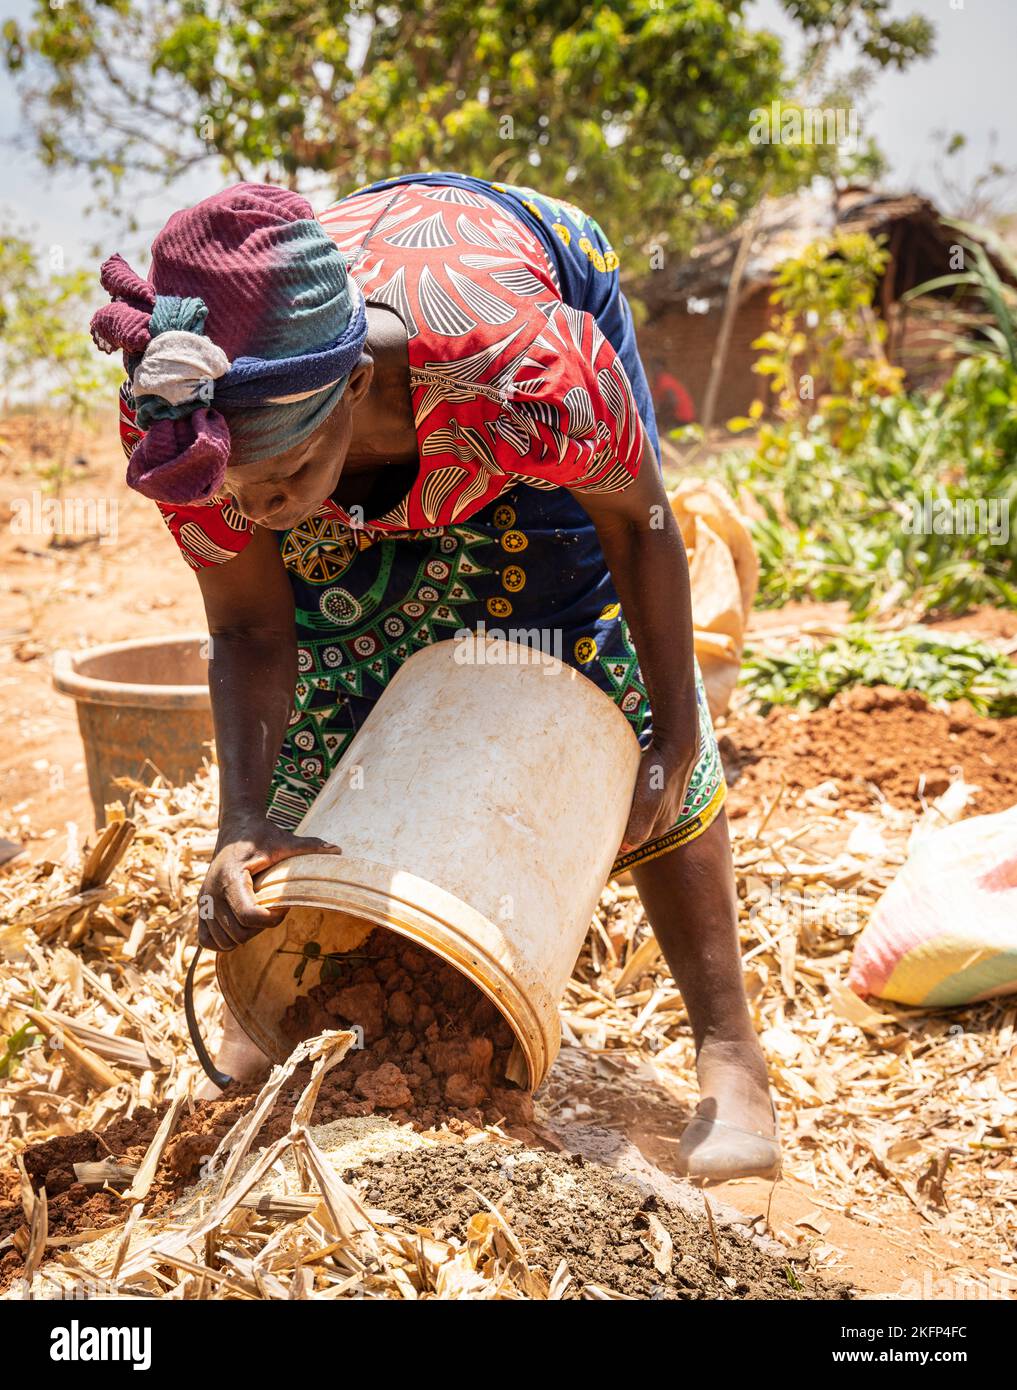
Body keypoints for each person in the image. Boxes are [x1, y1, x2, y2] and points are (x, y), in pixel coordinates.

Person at [92, 173, 779, 1181]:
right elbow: (249, 629)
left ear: (357, 389)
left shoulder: (523, 369)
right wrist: (241, 819)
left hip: (510, 325)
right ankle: (282, 1005)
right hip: (352, 373)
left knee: (598, 676)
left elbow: (640, 524)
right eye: (242, 493)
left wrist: (674, 732)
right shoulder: (181, 420)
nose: (265, 512)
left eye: (282, 482)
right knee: (334, 671)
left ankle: (729, 1048)